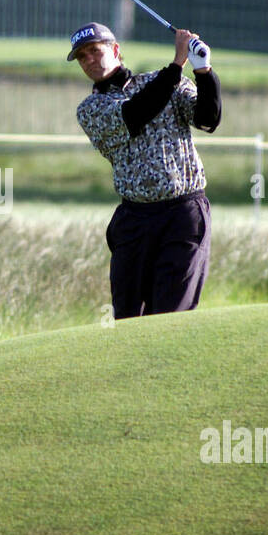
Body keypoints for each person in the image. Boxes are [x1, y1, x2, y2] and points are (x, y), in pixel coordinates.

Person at [72, 22, 222, 318]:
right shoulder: (91, 108)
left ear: (115, 50)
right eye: (81, 57)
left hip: (183, 214)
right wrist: (178, 64)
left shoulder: (166, 81)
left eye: (94, 50)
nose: (89, 60)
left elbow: (208, 119)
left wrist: (204, 72)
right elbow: (136, 113)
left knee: (170, 314)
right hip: (135, 220)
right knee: (129, 317)